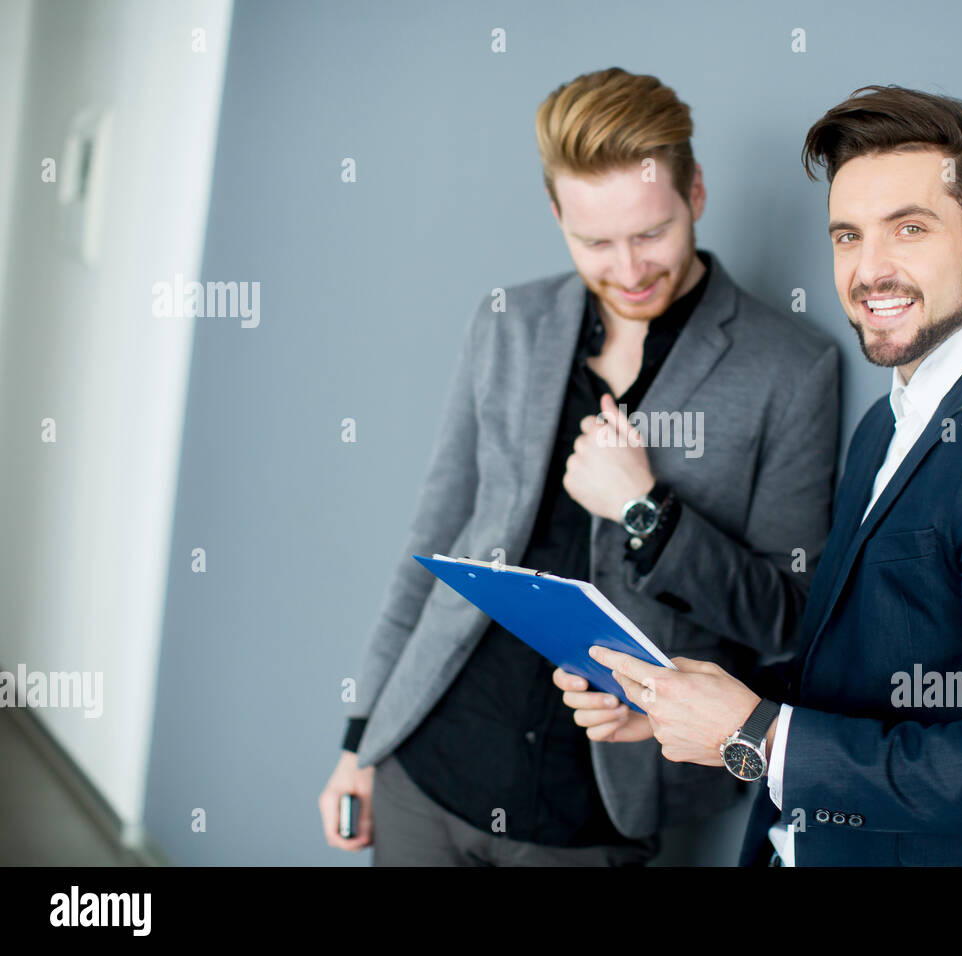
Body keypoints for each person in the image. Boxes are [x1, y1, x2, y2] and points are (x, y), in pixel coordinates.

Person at [557, 84, 962, 867]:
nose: (870, 270)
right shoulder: (884, 424)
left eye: (911, 229)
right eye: (848, 236)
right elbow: (849, 677)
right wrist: (680, 708)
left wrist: (752, 732)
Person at [317, 67, 841, 865]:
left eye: (651, 233)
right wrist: (360, 743)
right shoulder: (508, 324)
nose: (628, 268)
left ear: (695, 192)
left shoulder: (792, 369)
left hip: (595, 814)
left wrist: (646, 511)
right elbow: (433, 540)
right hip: (425, 767)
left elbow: (787, 616)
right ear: (556, 214)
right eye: (594, 241)